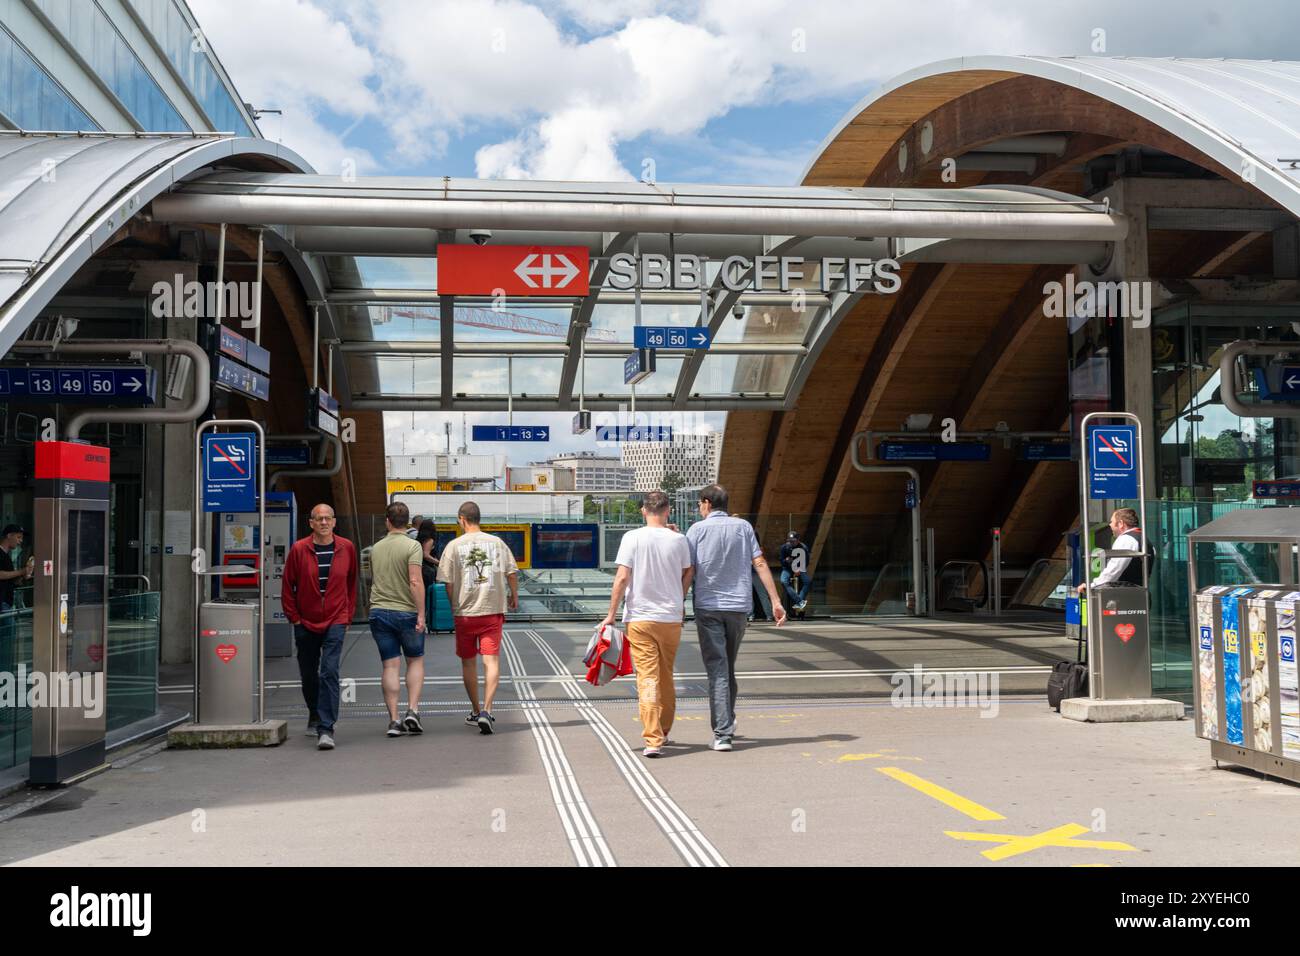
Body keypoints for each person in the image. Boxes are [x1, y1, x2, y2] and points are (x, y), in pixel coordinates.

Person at [686, 485, 786, 752]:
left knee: (718, 669)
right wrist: (776, 601)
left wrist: (677, 601)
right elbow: (761, 563)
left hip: (708, 607)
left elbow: (690, 569)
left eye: (699, 504)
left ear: (707, 503)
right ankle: (727, 720)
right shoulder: (743, 527)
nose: (699, 508)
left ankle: (722, 733)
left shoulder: (697, 530)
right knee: (727, 666)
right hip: (739, 608)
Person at [600, 490, 693, 758]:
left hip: (640, 618)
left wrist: (611, 614)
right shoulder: (679, 540)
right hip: (671, 618)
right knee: (665, 675)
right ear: (668, 511)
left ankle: (653, 739)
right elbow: (689, 570)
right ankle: (663, 730)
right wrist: (679, 594)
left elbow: (621, 578)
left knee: (648, 678)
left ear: (643, 511)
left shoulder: (632, 538)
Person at [438, 501, 519, 734]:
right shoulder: (497, 543)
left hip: (465, 613)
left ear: (462, 519)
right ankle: (487, 709)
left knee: (468, 662)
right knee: (491, 661)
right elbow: (511, 573)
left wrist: (455, 604)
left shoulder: (453, 546)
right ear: (478, 518)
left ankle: (475, 710)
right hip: (492, 610)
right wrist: (514, 596)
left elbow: (448, 583)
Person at [281, 504, 357, 750]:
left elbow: (351, 584)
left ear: (334, 522)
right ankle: (314, 712)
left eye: (328, 518)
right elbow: (287, 586)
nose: (324, 522)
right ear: (311, 523)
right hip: (305, 621)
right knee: (308, 674)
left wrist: (347, 615)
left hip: (336, 618)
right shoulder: (299, 549)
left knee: (329, 671)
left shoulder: (346, 548)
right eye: (319, 519)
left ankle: (326, 728)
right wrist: (294, 617)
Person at [368, 502, 427, 737]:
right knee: (415, 661)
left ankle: (393, 721)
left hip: (379, 612)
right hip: (406, 612)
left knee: (390, 666)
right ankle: (412, 711)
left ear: (387, 521)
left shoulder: (376, 548)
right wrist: (421, 613)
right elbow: (415, 581)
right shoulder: (413, 547)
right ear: (408, 522)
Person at [1076, 508, 1151, 592]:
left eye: (1112, 522)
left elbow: (1114, 569)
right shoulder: (1145, 540)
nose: (1110, 525)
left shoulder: (1126, 539)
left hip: (1125, 596)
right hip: (1141, 595)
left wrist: (1093, 586)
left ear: (1121, 524)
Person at [0, 525, 33, 612]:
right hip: (3, 603)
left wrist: (22, 576)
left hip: (6, 602)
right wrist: (21, 572)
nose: (20, 541)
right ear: (9, 535)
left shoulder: (7, 556)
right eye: (18, 537)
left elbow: (8, 579)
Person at [779, 531, 812, 614]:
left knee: (807, 582)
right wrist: (786, 561)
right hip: (787, 568)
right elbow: (781, 561)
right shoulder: (784, 547)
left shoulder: (803, 548)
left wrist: (799, 570)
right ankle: (800, 602)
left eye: (793, 541)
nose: (791, 543)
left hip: (799, 568)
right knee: (783, 581)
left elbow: (806, 562)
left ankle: (799, 602)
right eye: (790, 541)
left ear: (798, 540)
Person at [415, 518, 439, 589]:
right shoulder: (429, 540)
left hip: (419, 567)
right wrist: (438, 562)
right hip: (427, 570)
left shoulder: (418, 539)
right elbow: (426, 555)